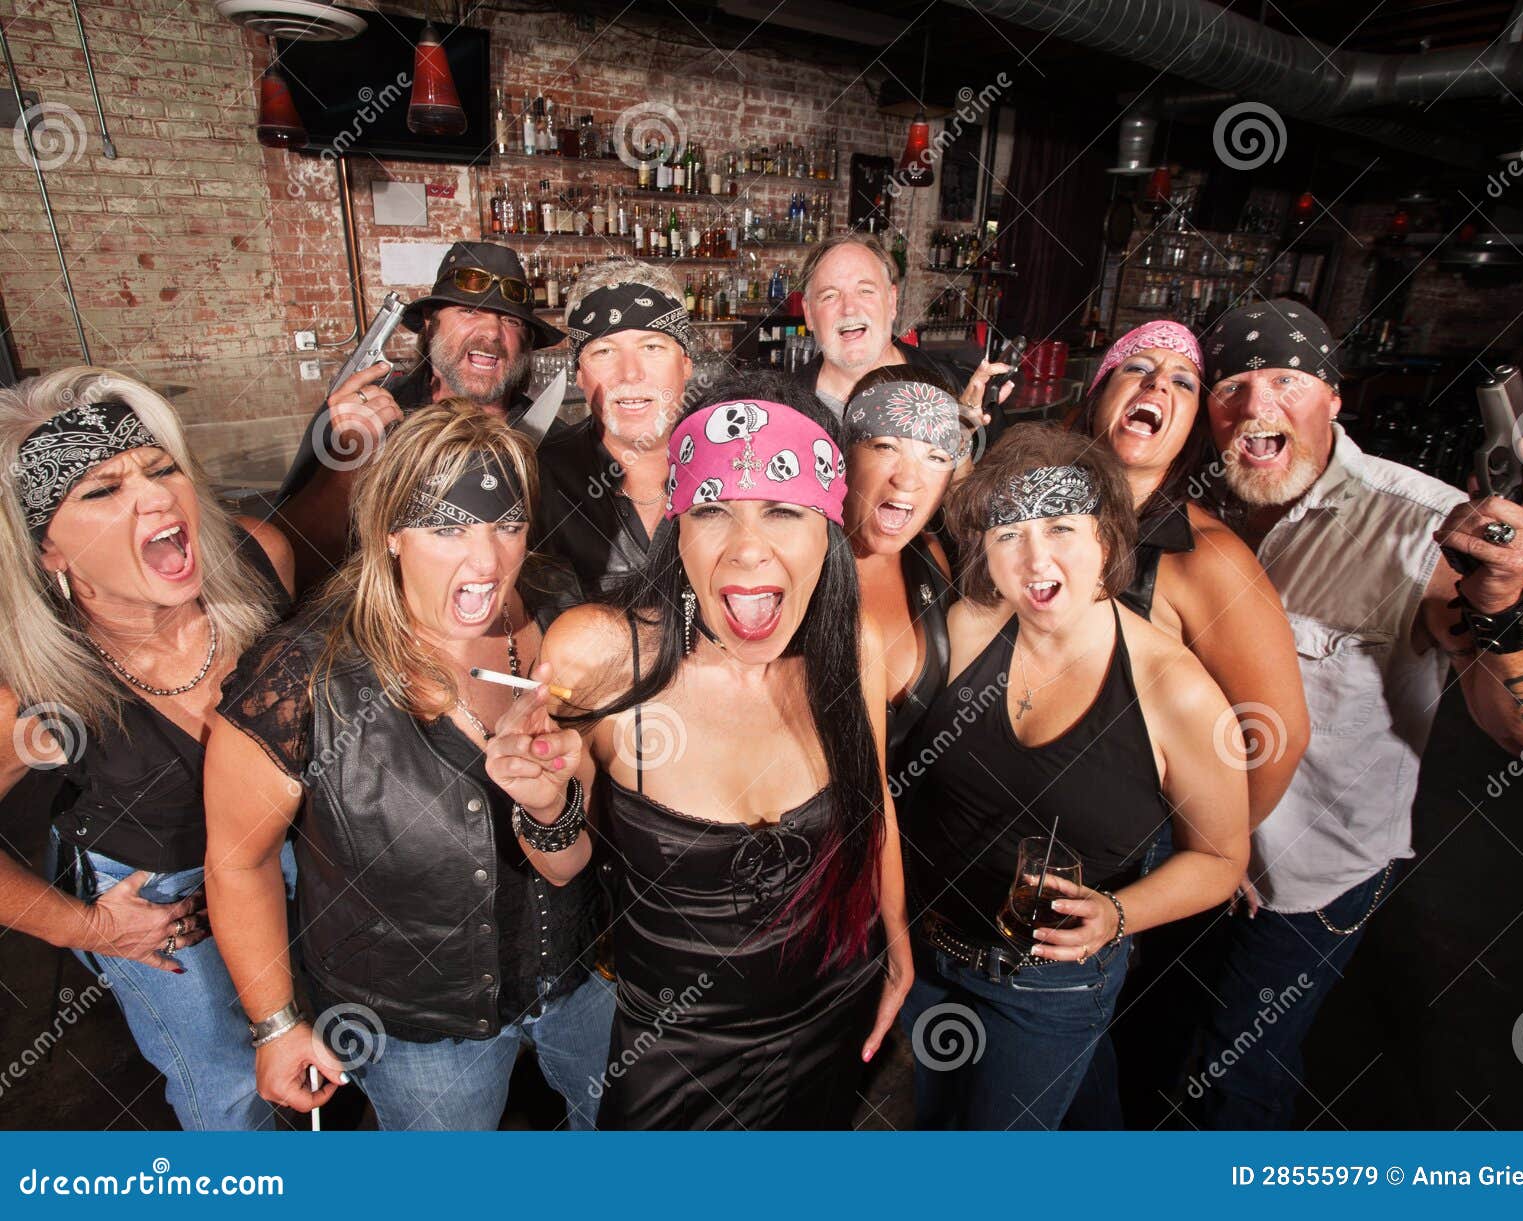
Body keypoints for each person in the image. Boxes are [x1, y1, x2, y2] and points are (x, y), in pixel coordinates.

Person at [1192, 299, 1523, 1128]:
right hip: (1193, 854)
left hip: (1301, 879)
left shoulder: (1420, 526)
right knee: (1176, 1038)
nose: (1257, 405)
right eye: (1233, 383)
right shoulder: (1203, 503)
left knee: (1236, 1077)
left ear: (1335, 397)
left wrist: (1506, 600)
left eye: (1288, 380)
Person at [488, 371, 914, 1129]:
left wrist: (898, 936)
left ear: (829, 527)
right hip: (670, 1052)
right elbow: (563, 859)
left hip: (831, 1016)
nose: (748, 551)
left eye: (784, 510)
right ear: (675, 527)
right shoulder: (601, 650)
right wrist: (545, 801)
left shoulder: (851, 645)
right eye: (713, 510)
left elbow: (873, 797)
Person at [205, 403, 612, 1131]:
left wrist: (555, 806)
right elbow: (240, 862)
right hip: (420, 1029)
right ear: (389, 530)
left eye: (506, 523)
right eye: (447, 526)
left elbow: (576, 835)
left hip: (576, 977)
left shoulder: (554, 606)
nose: (485, 560)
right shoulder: (302, 673)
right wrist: (274, 1024)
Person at [897, 424, 1249, 1130]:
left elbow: (1220, 856)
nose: (1035, 557)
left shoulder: (1174, 690)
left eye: (1061, 527)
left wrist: (1118, 916)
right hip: (929, 957)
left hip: (1050, 988)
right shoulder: (967, 630)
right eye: (1008, 533)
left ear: (1107, 543)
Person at [0, 367, 294, 1130]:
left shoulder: (261, 567)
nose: (157, 496)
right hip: (173, 909)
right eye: (102, 492)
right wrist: (86, 928)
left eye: (162, 469)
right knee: (229, 1094)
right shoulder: (33, 689)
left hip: (297, 863)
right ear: (50, 552)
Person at [1062, 319, 1310, 1128]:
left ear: (1192, 421)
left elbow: (1277, 732)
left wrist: (1210, 844)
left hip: (1117, 864)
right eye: (1136, 369)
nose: (1155, 387)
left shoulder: (1207, 556)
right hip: (1017, 837)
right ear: (1099, 393)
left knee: (1068, 1050)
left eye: (1180, 381)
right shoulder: (1038, 516)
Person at [275, 241, 565, 587]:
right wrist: (349, 463)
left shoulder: (554, 441)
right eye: (469, 312)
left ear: (527, 341)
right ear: (430, 324)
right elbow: (288, 569)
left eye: (510, 320)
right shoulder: (359, 415)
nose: (491, 332)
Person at [533, 259, 695, 599]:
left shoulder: (734, 462)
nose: (630, 374)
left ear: (685, 365)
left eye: (652, 347)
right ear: (579, 375)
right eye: (604, 351)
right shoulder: (540, 478)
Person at [841, 366, 965, 776]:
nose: (908, 478)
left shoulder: (930, 557)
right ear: (845, 452)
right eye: (885, 446)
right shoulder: (798, 559)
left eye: (935, 456)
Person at [796, 232, 1012, 443]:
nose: (849, 309)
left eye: (865, 291)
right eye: (830, 296)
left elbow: (1000, 475)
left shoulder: (961, 393)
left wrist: (961, 435)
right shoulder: (779, 406)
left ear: (891, 301)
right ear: (808, 314)